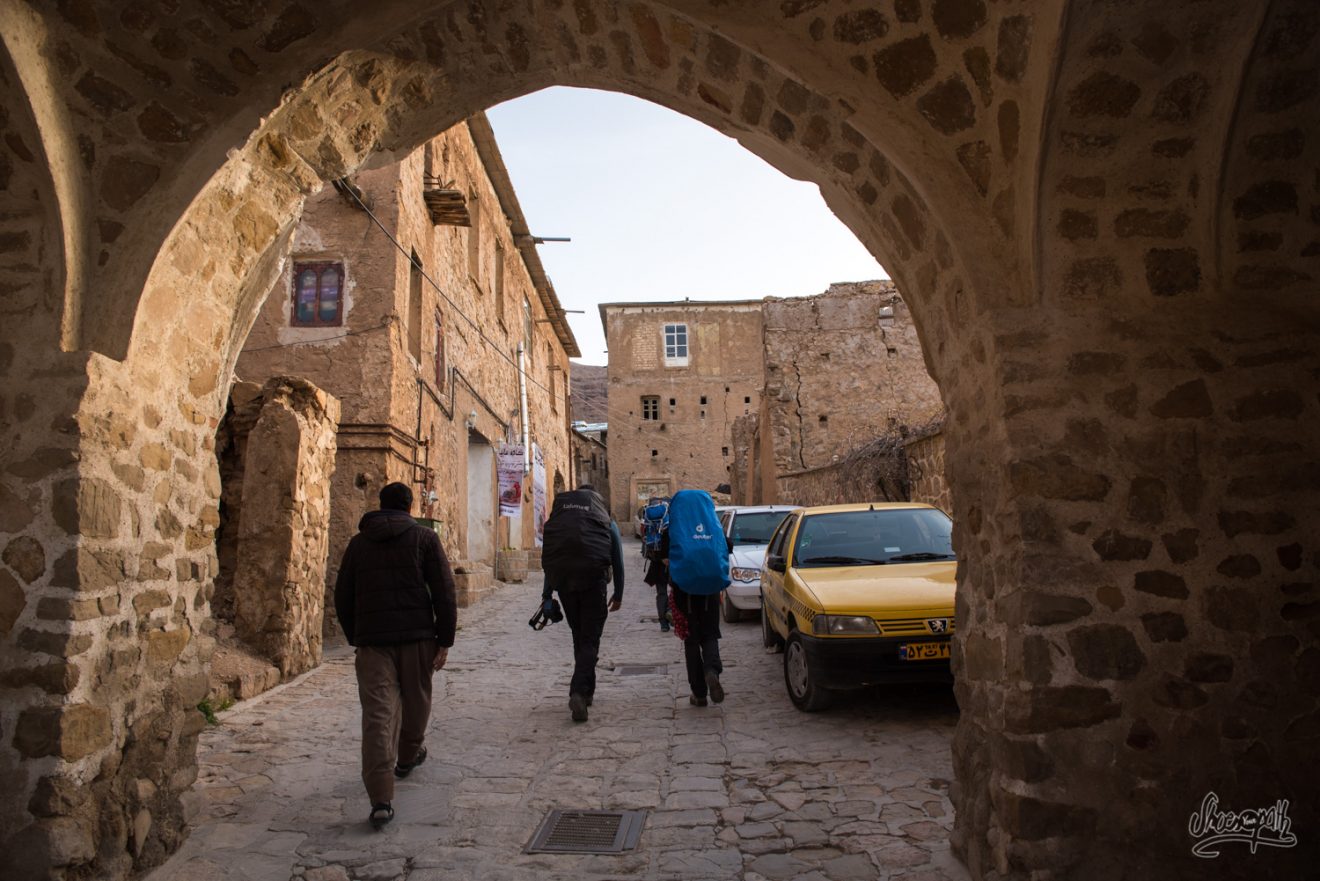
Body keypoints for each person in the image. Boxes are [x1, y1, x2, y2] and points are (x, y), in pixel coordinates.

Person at [334, 481, 457, 829]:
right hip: (417, 637)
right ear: (409, 507)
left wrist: (355, 636)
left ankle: (381, 798)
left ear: (380, 504)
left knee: (378, 716)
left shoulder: (359, 544)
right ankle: (406, 756)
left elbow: (343, 593)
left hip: (373, 641)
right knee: (417, 700)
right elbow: (444, 591)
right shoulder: (425, 539)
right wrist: (444, 638)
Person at [540, 484, 625, 722]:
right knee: (590, 638)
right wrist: (618, 593)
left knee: (579, 636)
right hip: (593, 583)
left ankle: (587, 692)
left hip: (565, 585)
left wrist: (547, 595)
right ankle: (578, 690)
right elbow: (617, 559)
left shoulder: (563, 521)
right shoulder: (604, 520)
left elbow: (551, 560)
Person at [661, 490, 733, 707]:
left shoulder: (673, 528)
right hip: (710, 589)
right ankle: (712, 670)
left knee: (691, 640)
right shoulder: (714, 526)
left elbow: (663, 557)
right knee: (710, 633)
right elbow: (728, 546)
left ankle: (699, 693)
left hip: (685, 591)